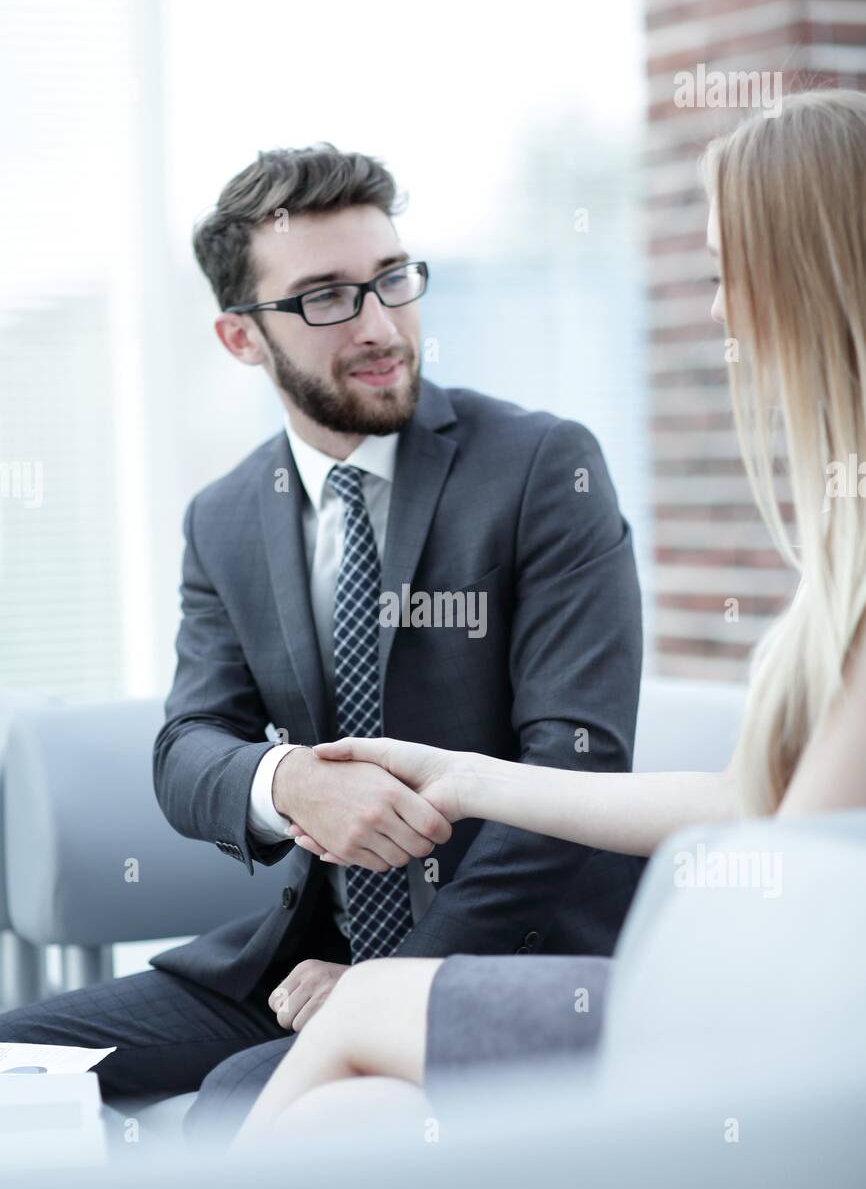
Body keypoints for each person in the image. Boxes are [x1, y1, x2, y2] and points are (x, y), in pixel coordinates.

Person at [235, 90, 866, 1143]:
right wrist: (467, 775)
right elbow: (755, 803)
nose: (715, 312)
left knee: (374, 999)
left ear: (802, 271)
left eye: (722, 274)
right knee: (356, 1113)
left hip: (790, 1022)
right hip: (775, 993)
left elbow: (791, 865)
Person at [0, 143, 644, 1133]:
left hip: (512, 956)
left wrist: (384, 980)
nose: (382, 325)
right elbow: (189, 752)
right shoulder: (224, 517)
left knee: (234, 1107)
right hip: (295, 959)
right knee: (14, 1058)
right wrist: (287, 780)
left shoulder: (540, 469)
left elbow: (576, 766)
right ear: (239, 337)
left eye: (391, 279)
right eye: (326, 298)